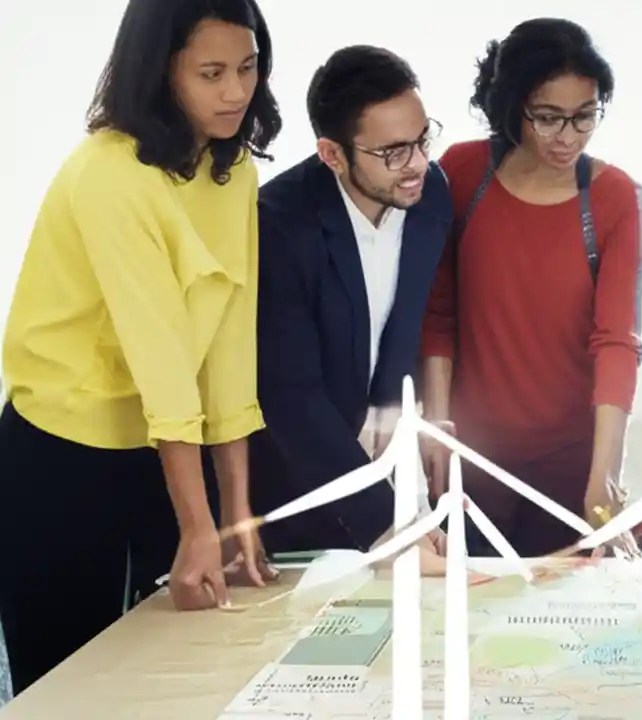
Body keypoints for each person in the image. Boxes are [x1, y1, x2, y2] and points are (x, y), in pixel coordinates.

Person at [0, 0, 280, 694]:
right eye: (211, 73)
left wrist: (235, 513)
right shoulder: (110, 176)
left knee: (182, 671)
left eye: (247, 68)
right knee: (68, 684)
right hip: (62, 449)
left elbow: (228, 342)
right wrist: (198, 524)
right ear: (161, 74)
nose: (236, 92)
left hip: (162, 444)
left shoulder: (232, 166)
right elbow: (161, 358)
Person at [420, 18, 642, 557]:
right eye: (547, 118)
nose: (567, 137)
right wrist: (436, 428)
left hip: (569, 459)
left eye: (584, 117)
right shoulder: (462, 173)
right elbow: (437, 315)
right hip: (470, 456)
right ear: (512, 107)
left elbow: (616, 341)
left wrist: (604, 475)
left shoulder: (613, 198)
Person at [250, 45, 452, 567]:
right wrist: (385, 524)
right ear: (332, 154)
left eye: (422, 139)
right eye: (392, 152)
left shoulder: (429, 196)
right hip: (293, 484)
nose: (417, 165)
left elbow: (404, 324)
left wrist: (411, 510)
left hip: (387, 473)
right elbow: (291, 397)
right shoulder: (280, 224)